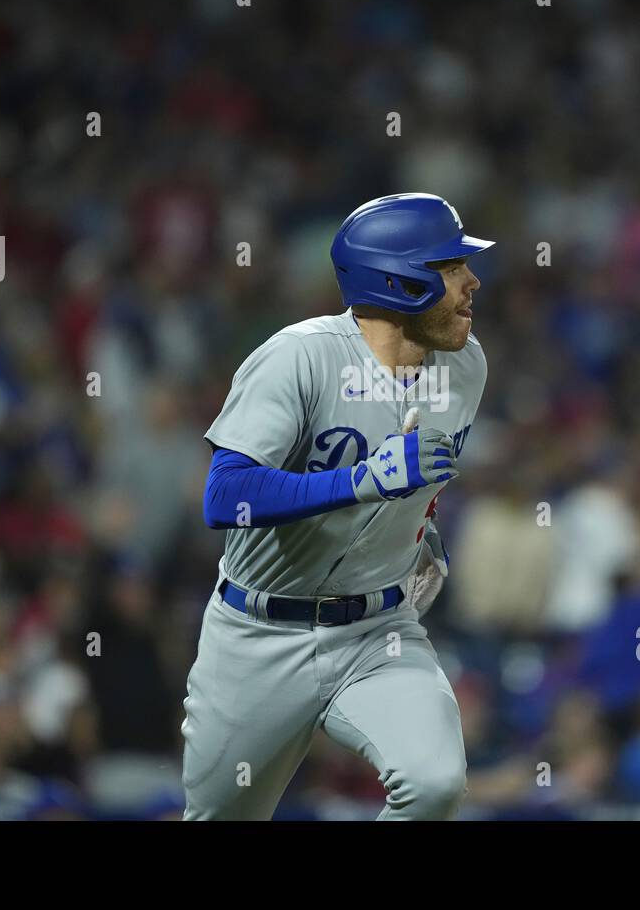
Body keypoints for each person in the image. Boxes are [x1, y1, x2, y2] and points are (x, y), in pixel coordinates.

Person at [180, 193, 492, 819]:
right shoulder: (299, 357)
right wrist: (362, 481)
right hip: (257, 635)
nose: (471, 282)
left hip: (378, 630)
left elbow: (414, 485)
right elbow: (225, 496)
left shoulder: (465, 368)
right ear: (398, 282)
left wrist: (415, 529)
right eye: (451, 266)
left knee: (434, 784)